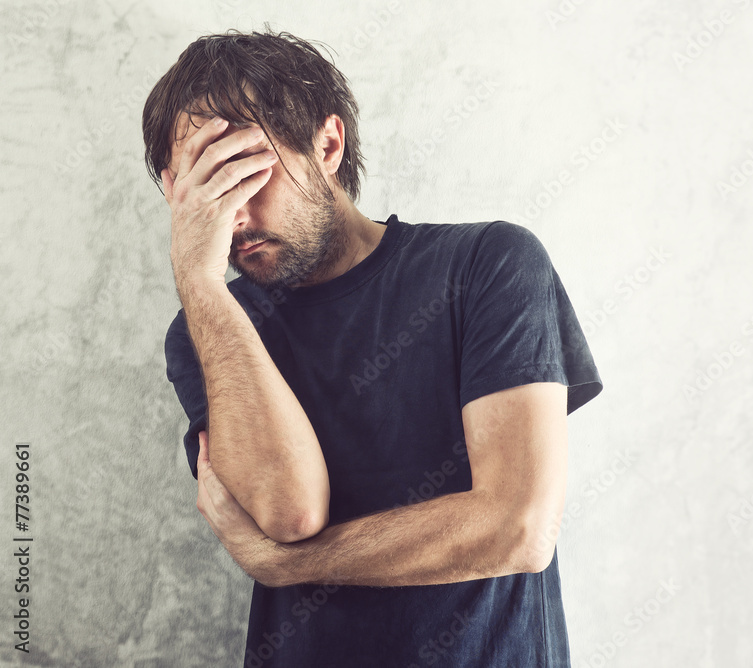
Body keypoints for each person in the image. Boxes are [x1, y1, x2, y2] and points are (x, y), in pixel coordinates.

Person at [143, 26, 603, 667]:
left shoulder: (487, 265)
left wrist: (285, 567)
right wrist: (199, 282)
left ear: (326, 144)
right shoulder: (204, 327)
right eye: (197, 192)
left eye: (241, 174)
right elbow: (291, 510)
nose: (233, 218)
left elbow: (518, 527)